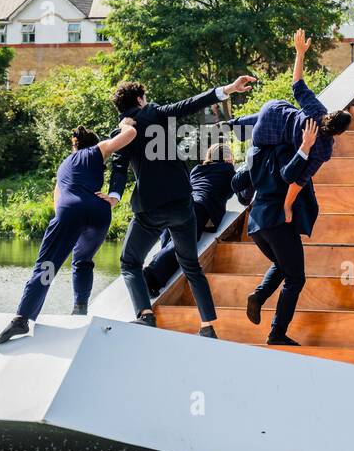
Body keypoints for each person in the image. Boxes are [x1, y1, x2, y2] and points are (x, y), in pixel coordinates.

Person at [107, 74, 256, 336]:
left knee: (130, 262)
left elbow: (118, 168)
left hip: (150, 209)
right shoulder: (156, 113)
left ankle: (145, 315)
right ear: (141, 99)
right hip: (182, 205)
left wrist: (114, 196)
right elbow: (188, 104)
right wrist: (227, 89)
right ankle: (207, 325)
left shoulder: (122, 131)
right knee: (191, 265)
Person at [0, 119, 137, 344]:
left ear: (74, 146)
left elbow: (57, 201)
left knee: (47, 266)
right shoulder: (98, 151)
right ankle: (80, 308)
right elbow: (127, 138)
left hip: (70, 212)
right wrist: (127, 125)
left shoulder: (66, 165)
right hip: (100, 213)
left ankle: (22, 318)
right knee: (83, 260)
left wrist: (126, 125)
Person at [225, 29, 350, 223]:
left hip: (272, 110)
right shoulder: (323, 149)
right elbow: (300, 180)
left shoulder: (317, 110)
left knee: (284, 111)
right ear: (338, 133)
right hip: (266, 137)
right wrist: (287, 205)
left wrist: (300, 53)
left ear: (331, 115)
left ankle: (235, 125)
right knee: (263, 154)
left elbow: (297, 84)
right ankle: (247, 182)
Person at [242, 119, 320, 345]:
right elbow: (290, 175)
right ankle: (277, 333)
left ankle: (259, 295)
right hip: (277, 220)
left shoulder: (257, 153)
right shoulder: (284, 150)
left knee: (281, 264)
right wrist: (305, 147)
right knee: (296, 278)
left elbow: (242, 180)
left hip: (257, 223)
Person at [142, 143, 236, 297]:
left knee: (168, 243)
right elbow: (237, 190)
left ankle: (153, 276)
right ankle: (150, 276)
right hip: (199, 207)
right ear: (227, 157)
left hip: (178, 204)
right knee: (182, 246)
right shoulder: (228, 171)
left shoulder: (197, 170)